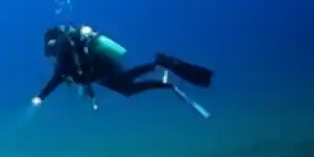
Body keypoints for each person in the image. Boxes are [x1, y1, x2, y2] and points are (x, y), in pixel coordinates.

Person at [31, 24, 214, 116]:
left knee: (127, 81)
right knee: (127, 88)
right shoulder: (67, 58)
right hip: (100, 73)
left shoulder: (64, 56)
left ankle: (157, 63)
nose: (52, 59)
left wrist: (40, 97)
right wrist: (92, 97)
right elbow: (81, 77)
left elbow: (57, 79)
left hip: (103, 67)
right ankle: (164, 80)